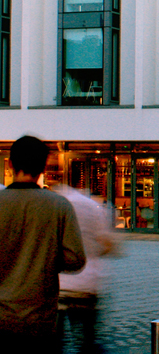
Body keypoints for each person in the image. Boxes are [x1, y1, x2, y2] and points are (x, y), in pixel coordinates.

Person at [0, 135, 87, 349]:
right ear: (44, 166)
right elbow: (75, 259)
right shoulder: (58, 206)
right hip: (41, 320)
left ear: (10, 164)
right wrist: (46, 258)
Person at [56, 185, 118, 354]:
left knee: (56, 341)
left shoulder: (58, 205)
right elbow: (109, 245)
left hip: (60, 285)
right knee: (87, 340)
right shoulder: (94, 206)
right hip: (87, 283)